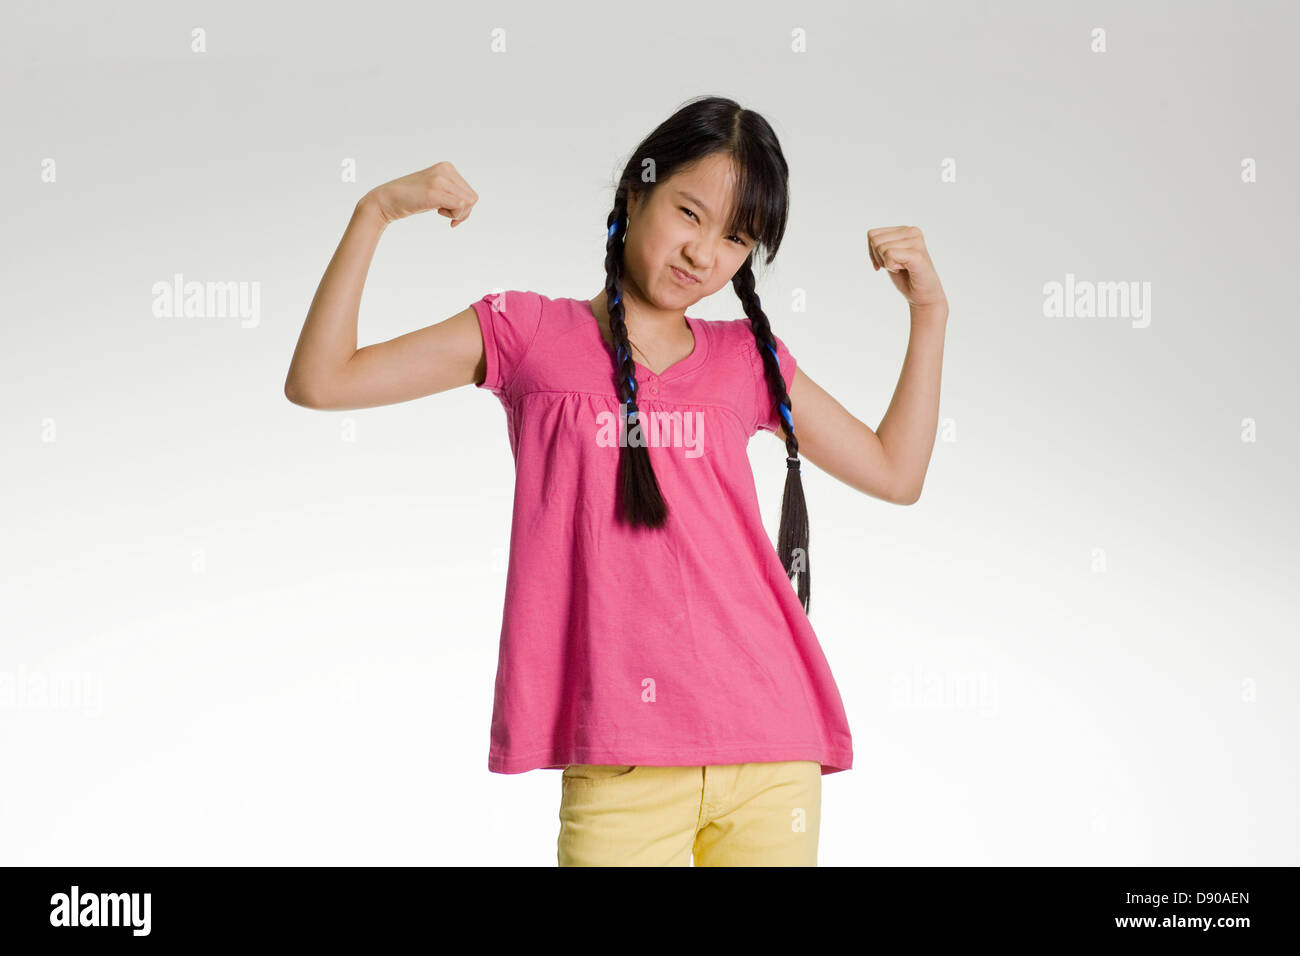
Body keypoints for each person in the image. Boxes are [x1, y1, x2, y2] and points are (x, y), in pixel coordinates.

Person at [284, 95, 949, 866]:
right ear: (636, 192)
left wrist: (929, 312)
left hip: (771, 746)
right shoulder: (526, 332)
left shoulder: (746, 360)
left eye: (736, 238)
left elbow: (897, 474)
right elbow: (321, 380)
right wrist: (374, 212)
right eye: (689, 212)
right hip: (622, 759)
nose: (704, 253)